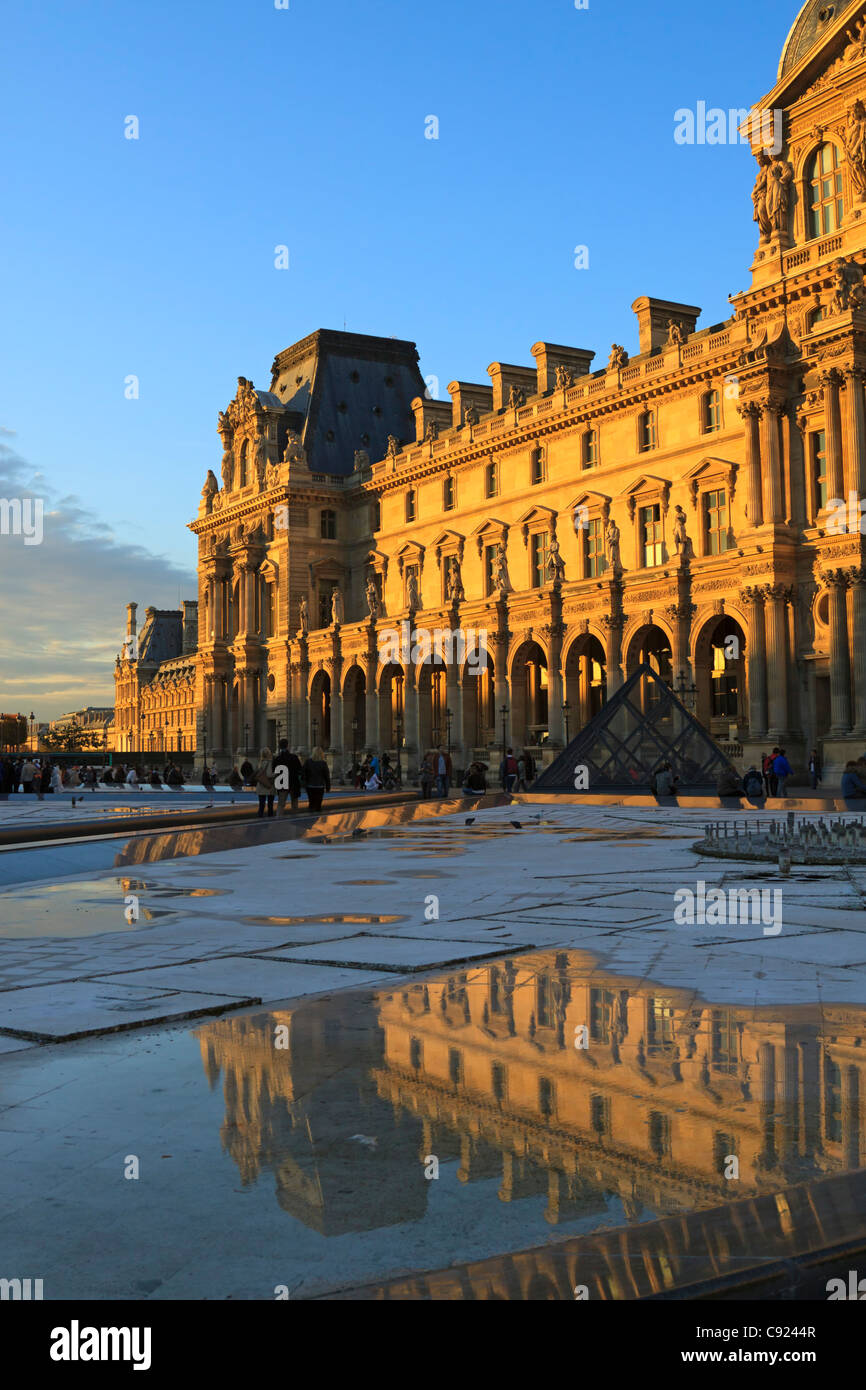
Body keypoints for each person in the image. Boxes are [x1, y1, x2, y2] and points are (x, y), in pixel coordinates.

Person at [273, 739, 302, 816]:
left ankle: (278, 820)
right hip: (293, 782)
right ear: (288, 746)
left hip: (282, 783)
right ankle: (295, 820)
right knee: (295, 804)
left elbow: (274, 771)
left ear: (279, 747)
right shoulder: (294, 757)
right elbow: (300, 769)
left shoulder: (277, 759)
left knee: (281, 804)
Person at [303, 747, 331, 812]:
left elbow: (303, 773)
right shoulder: (323, 763)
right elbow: (326, 776)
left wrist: (305, 782)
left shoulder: (308, 762)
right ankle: (316, 816)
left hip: (310, 785)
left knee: (311, 802)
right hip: (320, 785)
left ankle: (309, 817)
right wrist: (328, 787)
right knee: (318, 804)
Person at [254, 748, 276, 818]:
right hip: (268, 786)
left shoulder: (260, 763)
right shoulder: (269, 762)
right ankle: (270, 819)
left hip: (261, 786)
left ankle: (259, 818)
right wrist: (276, 774)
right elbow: (269, 775)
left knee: (261, 805)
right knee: (270, 805)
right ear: (269, 754)